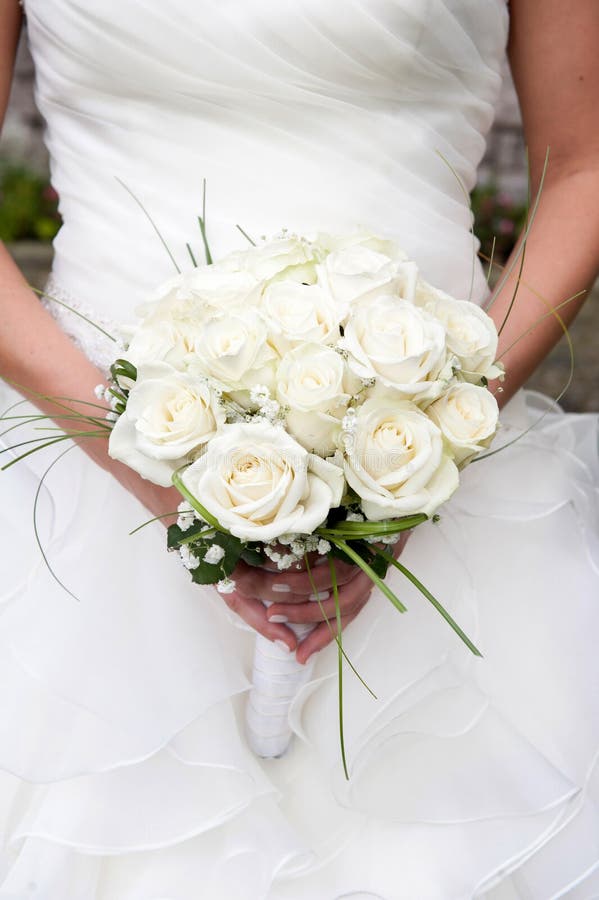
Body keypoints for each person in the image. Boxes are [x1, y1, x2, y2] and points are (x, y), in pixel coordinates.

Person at [0, 1, 597, 897]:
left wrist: (428, 442)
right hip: (82, 497)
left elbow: (581, 165)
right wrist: (148, 466)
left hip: (449, 490)